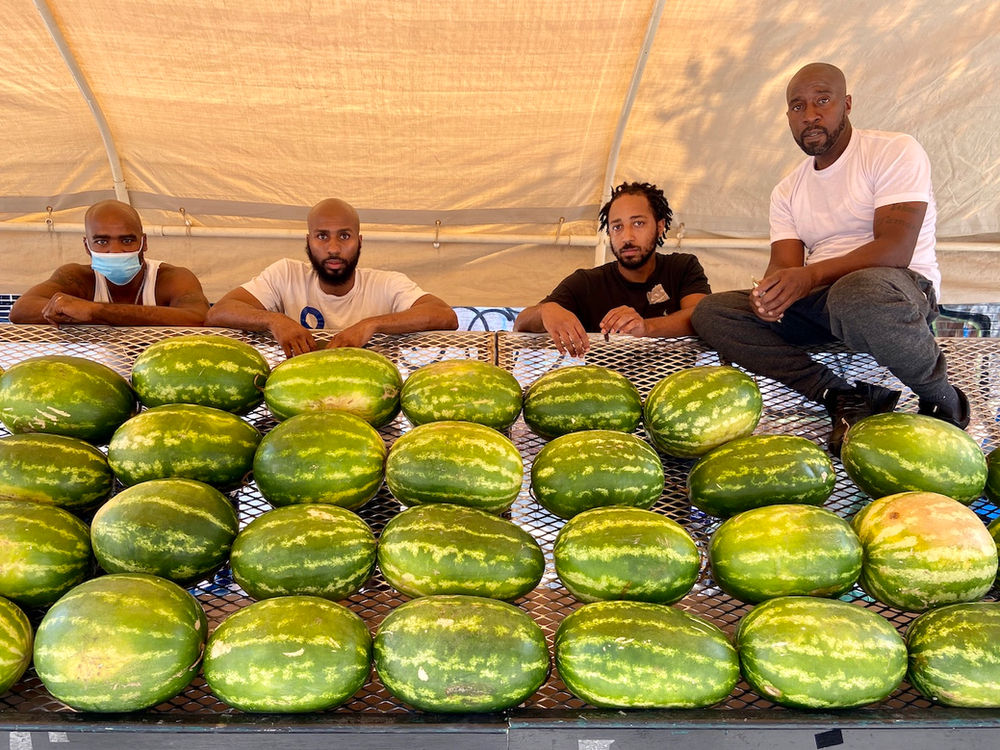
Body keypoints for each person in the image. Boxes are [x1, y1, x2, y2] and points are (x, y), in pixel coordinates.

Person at [691, 62, 969, 457]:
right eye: (798, 106)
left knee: (856, 292)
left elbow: (895, 248)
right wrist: (769, 295)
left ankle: (942, 396)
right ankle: (842, 396)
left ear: (847, 104)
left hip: (896, 292)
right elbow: (784, 266)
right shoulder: (787, 190)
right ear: (788, 116)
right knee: (714, 311)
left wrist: (808, 276)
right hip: (825, 300)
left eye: (823, 100)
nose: (811, 115)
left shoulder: (893, 151)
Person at [205, 198, 458, 357]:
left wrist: (370, 325)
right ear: (308, 240)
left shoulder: (386, 283)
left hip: (373, 415)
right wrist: (274, 321)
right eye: (322, 236)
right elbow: (219, 312)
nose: (334, 248)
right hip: (300, 407)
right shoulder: (285, 274)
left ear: (359, 242)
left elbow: (444, 315)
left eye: (344, 236)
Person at [513, 181, 710, 356]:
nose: (627, 237)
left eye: (638, 223)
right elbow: (521, 323)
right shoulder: (587, 283)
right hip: (605, 393)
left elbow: (702, 317)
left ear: (660, 226)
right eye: (617, 227)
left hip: (674, 391)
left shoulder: (682, 268)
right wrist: (546, 311)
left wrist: (646, 327)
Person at [9, 200, 209, 326]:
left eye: (127, 240)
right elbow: (21, 310)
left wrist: (96, 311)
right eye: (102, 241)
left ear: (144, 242)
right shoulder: (76, 278)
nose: (115, 250)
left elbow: (198, 317)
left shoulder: (172, 278)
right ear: (87, 246)